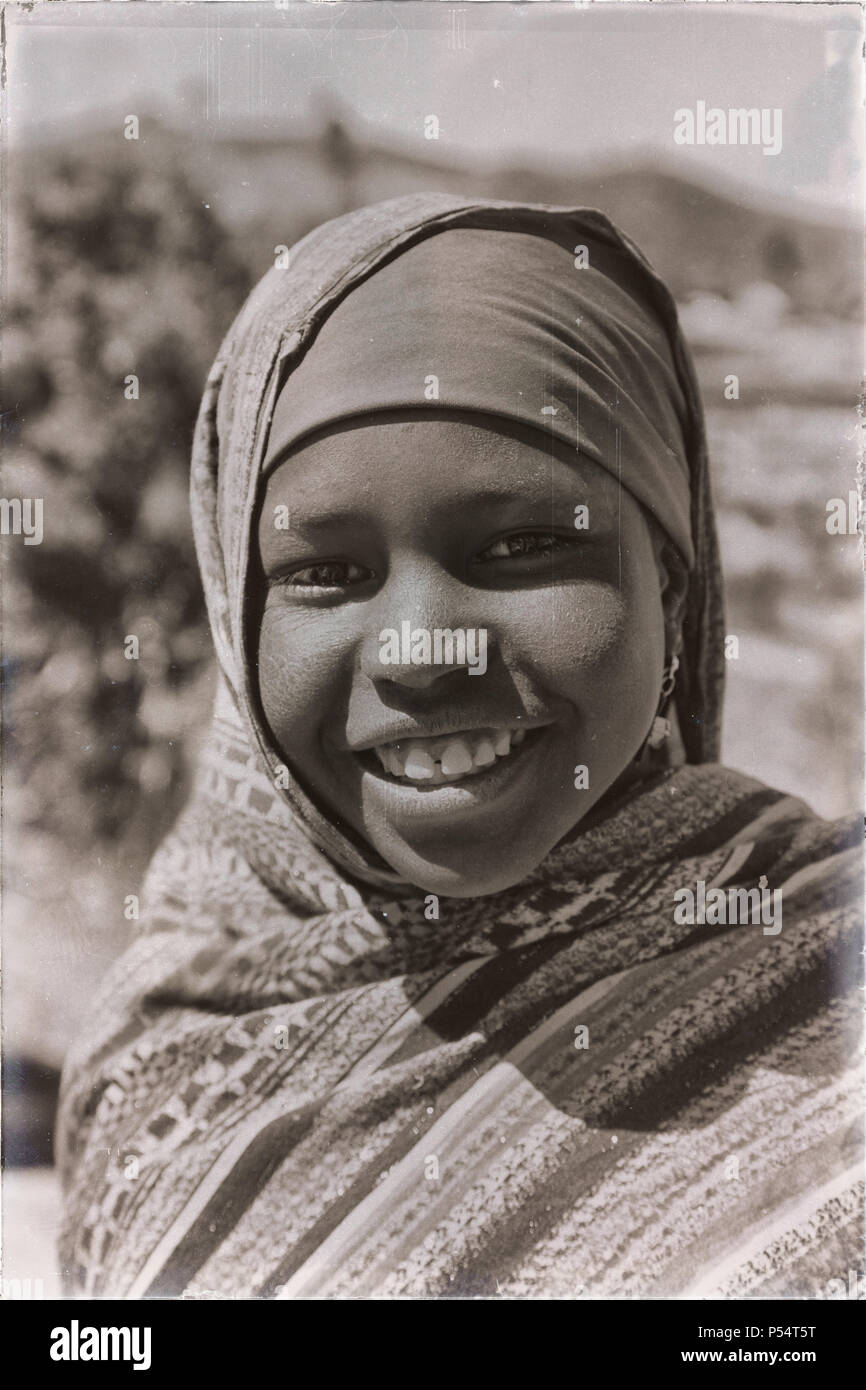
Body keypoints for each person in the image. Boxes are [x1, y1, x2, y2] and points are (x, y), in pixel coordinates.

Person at [57, 193, 862, 1299]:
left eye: (522, 544)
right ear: (239, 618)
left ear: (668, 581)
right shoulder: (163, 1057)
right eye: (323, 572)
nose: (419, 654)